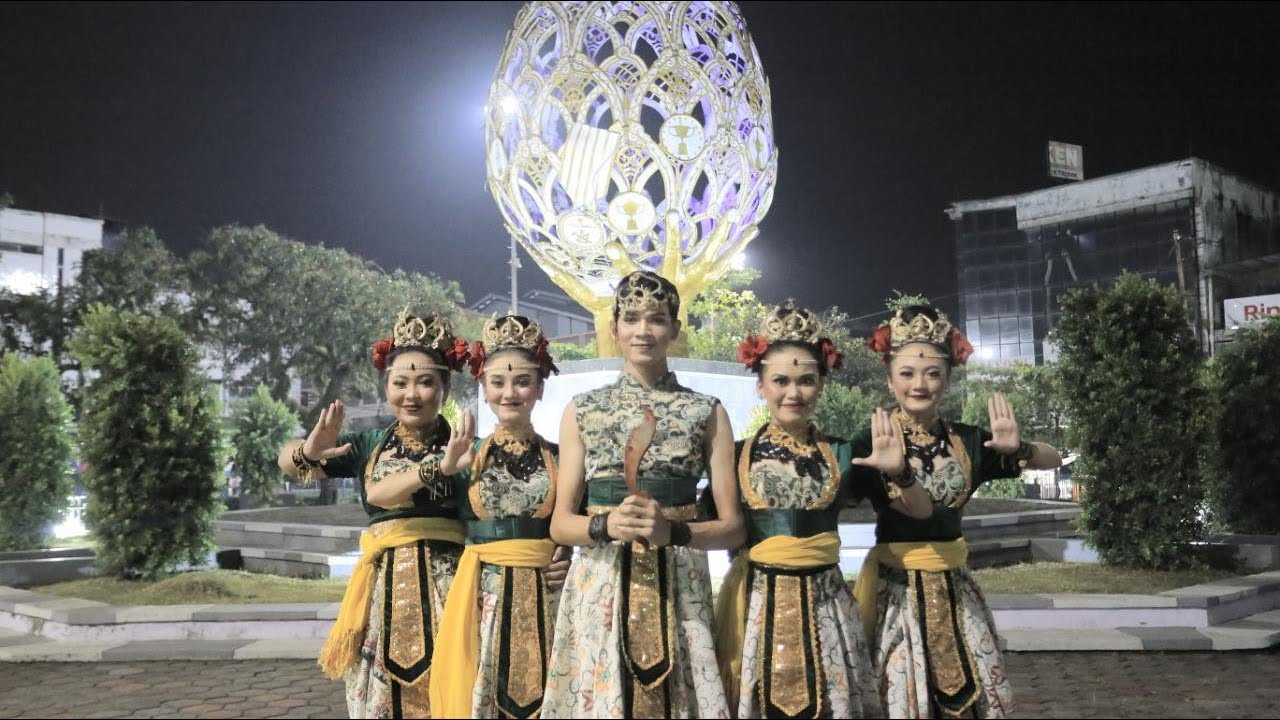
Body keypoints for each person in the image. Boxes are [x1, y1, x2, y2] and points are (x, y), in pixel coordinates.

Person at [542, 270, 745, 719]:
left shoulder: (707, 411)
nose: (643, 331)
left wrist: (675, 532)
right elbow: (561, 524)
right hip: (602, 583)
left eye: (656, 319)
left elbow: (733, 528)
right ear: (614, 328)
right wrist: (606, 525)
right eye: (631, 318)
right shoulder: (582, 410)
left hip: (680, 587)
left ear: (675, 329)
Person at [715, 303, 932, 718]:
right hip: (757, 611)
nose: (793, 393)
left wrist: (901, 472)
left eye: (806, 381)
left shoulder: (845, 453)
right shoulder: (734, 455)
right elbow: (711, 526)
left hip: (828, 610)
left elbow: (920, 512)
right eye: (780, 380)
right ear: (760, 385)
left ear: (821, 384)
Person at [851, 299, 1063, 718]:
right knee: (901, 699)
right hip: (897, 593)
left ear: (947, 380)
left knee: (971, 698)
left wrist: (1018, 448)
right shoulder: (872, 441)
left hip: (956, 589)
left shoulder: (966, 441)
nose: (919, 384)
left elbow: (1053, 458)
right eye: (907, 373)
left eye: (932, 374)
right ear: (890, 381)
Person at [277, 306, 472, 718]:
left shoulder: (466, 448)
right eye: (400, 382)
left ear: (446, 387)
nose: (411, 394)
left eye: (425, 382)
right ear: (387, 387)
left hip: (451, 589)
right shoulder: (369, 445)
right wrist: (309, 450)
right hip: (383, 593)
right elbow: (289, 464)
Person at [429, 314, 573, 719]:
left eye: (522, 381)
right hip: (481, 600)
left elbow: (575, 523)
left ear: (540, 388)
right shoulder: (463, 456)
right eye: (498, 382)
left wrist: (567, 555)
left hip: (549, 597)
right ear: (483, 387)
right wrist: (444, 468)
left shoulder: (562, 457)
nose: (509, 393)